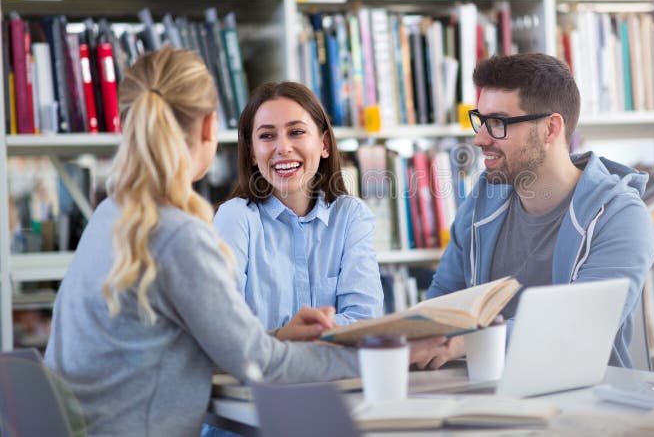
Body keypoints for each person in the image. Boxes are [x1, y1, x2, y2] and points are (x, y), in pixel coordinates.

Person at [43, 47, 446, 436]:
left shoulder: (113, 214)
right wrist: (389, 357)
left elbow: (223, 343)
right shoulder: (177, 234)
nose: (282, 146)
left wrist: (274, 337)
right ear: (208, 127)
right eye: (267, 135)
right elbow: (262, 367)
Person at [422, 53, 654, 369]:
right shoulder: (481, 202)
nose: (479, 139)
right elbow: (438, 309)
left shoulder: (620, 217)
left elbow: (578, 331)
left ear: (550, 129)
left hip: (585, 399)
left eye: (498, 123)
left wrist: (463, 342)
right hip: (482, 391)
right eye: (481, 120)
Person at [213, 81, 383, 333]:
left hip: (337, 373)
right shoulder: (235, 217)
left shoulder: (350, 216)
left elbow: (366, 319)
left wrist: (294, 335)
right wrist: (289, 335)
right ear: (251, 152)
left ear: (324, 144)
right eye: (267, 136)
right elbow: (223, 326)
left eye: (296, 132)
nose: (282, 148)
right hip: (263, 372)